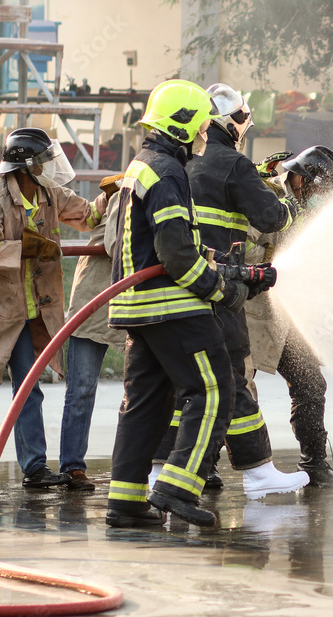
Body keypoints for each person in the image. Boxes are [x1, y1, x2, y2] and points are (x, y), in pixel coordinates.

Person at [104, 79, 264, 528]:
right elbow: (175, 254)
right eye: (201, 125)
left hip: (139, 306)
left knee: (147, 404)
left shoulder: (143, 164)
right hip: (174, 305)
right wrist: (219, 289)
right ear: (184, 125)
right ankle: (177, 487)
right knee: (214, 390)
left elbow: (166, 244)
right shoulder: (170, 172)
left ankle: (126, 501)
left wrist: (224, 271)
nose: (205, 134)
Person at [153, 82, 308, 500]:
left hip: (178, 286)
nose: (246, 123)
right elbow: (271, 218)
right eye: (244, 116)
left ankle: (162, 470)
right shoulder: (233, 163)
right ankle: (258, 472)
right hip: (222, 287)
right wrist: (288, 199)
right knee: (233, 375)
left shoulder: (180, 161)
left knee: (180, 384)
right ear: (232, 122)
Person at [0, 127, 105, 488]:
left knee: (28, 387)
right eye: (41, 162)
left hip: (29, 314)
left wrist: (114, 197)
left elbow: (87, 216)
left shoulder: (50, 194)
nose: (47, 167)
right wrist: (24, 249)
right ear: (24, 167)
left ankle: (34, 467)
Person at [248, 146, 333, 489]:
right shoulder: (264, 194)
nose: (320, 199)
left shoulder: (304, 207)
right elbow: (250, 247)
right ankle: (208, 469)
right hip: (249, 307)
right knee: (234, 389)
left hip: (286, 311)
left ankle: (315, 465)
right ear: (302, 179)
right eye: (318, 191)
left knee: (310, 383)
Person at [58, 173, 125, 491]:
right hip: (95, 302)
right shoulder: (126, 196)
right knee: (81, 390)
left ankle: (136, 464)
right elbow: (117, 244)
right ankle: (72, 467)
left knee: (145, 387)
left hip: (127, 303)